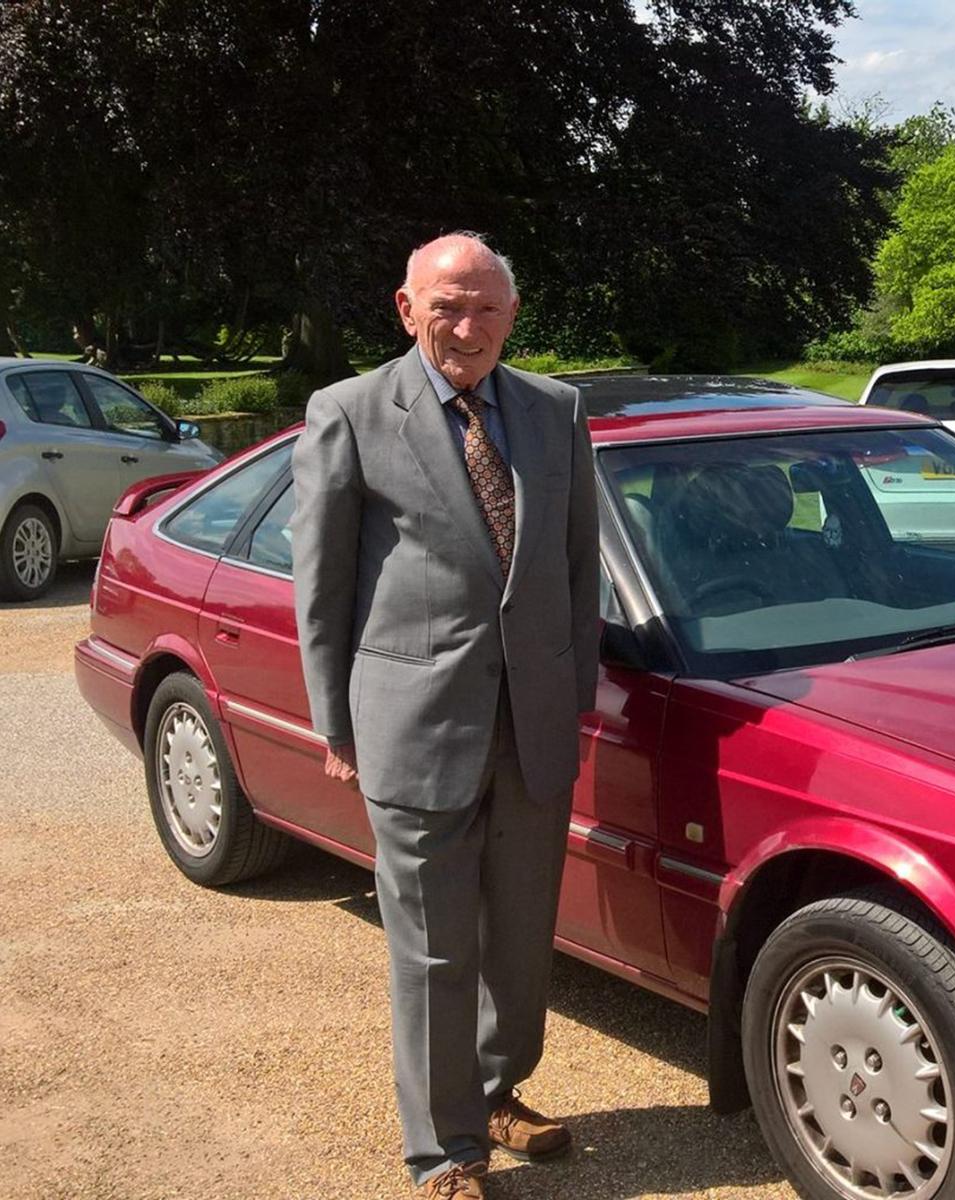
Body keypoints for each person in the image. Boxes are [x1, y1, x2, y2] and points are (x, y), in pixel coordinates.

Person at [291, 232, 602, 1199]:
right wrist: (335, 723)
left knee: (518, 934)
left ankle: (499, 1090)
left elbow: (577, 566)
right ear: (406, 307)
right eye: (448, 307)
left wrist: (575, 697)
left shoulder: (556, 411)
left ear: (513, 313)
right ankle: (445, 1150)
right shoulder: (348, 414)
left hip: (534, 720)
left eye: (487, 309)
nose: (467, 327)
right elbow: (323, 584)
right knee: (431, 948)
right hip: (413, 721)